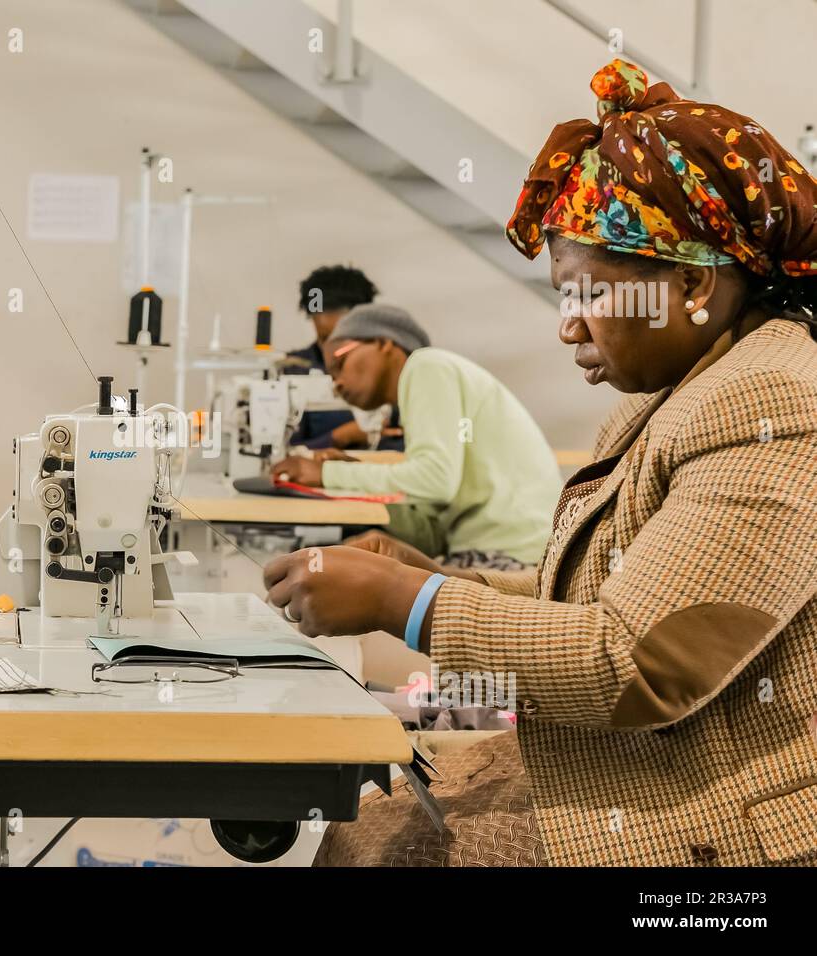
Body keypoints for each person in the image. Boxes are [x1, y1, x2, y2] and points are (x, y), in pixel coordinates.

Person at [265, 60, 817, 867]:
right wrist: (444, 582)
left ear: (695, 283)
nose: (568, 329)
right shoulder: (667, 397)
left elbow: (637, 662)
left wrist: (407, 598)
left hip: (723, 826)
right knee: (370, 824)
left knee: (388, 835)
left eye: (587, 295)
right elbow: (610, 594)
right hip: (658, 759)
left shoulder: (771, 402)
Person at [273, 303, 561, 569]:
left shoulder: (426, 366)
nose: (336, 383)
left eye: (340, 363)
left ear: (384, 342)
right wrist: (351, 478)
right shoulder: (430, 388)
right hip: (505, 552)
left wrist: (328, 474)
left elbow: (435, 481)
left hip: (510, 559)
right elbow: (431, 534)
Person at [285, 264, 389, 450]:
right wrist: (340, 437)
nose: (333, 352)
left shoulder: (386, 365)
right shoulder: (293, 369)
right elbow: (283, 450)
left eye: (342, 339)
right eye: (325, 338)